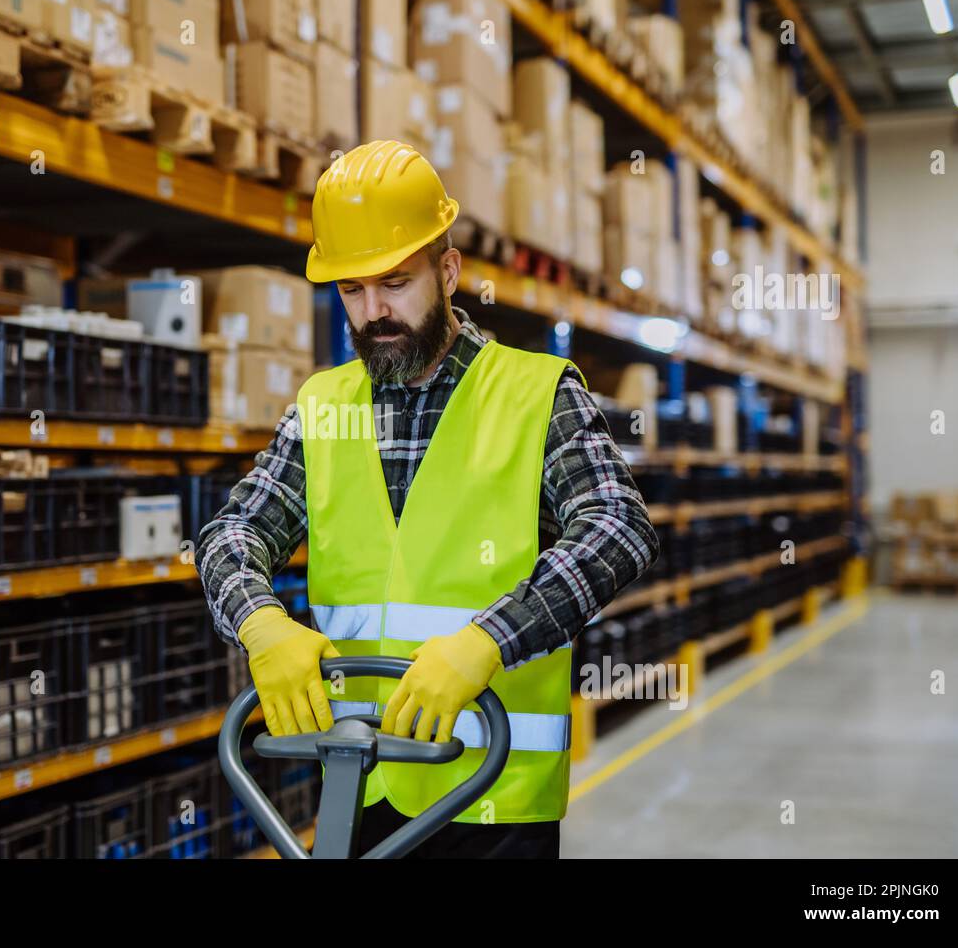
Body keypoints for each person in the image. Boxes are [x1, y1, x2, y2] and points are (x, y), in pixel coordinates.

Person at [195, 140, 659, 858]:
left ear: (448, 271)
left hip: (493, 795)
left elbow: (619, 528)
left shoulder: (536, 392)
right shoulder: (324, 405)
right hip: (360, 780)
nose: (374, 311)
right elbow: (233, 533)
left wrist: (487, 641)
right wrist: (260, 623)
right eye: (352, 290)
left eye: (396, 282)